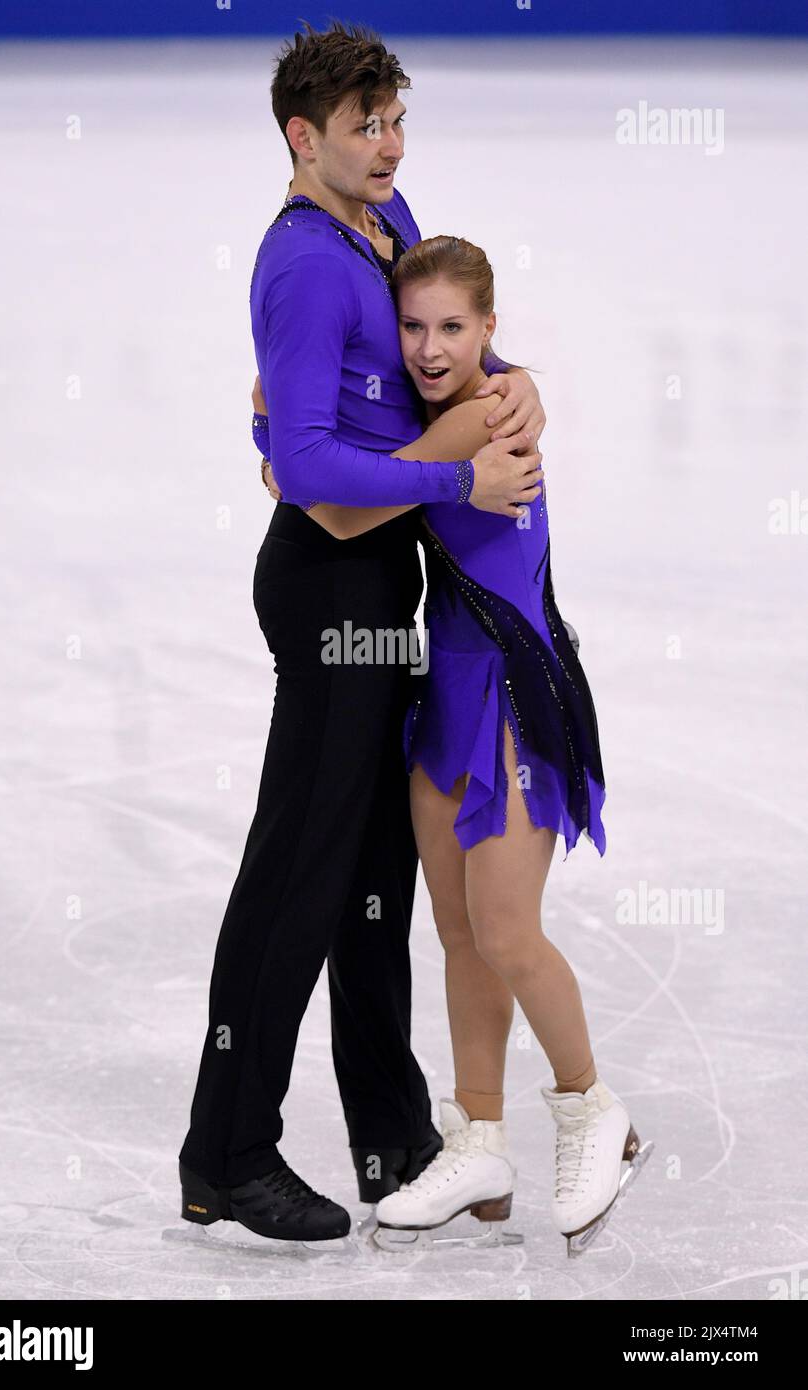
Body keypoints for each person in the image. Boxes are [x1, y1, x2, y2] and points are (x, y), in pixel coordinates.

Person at [178, 19, 546, 1244]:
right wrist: (458, 481)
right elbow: (314, 476)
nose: (387, 144)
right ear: (303, 138)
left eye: (394, 120)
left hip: (387, 589)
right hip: (332, 591)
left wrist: (510, 372)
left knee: (373, 875)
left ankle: (391, 1137)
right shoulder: (301, 263)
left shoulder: (381, 223)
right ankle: (227, 1150)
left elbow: (430, 353)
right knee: (301, 866)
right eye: (361, 126)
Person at [257, 234, 653, 1259]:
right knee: (461, 933)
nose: (429, 347)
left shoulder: (484, 410)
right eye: (412, 326)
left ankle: (588, 1107)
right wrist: (288, 453)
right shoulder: (441, 414)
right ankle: (477, 1134)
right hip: (445, 698)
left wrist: (276, 447)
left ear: (487, 328)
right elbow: (358, 476)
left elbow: (341, 503)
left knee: (507, 929)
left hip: (515, 693)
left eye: (451, 326)